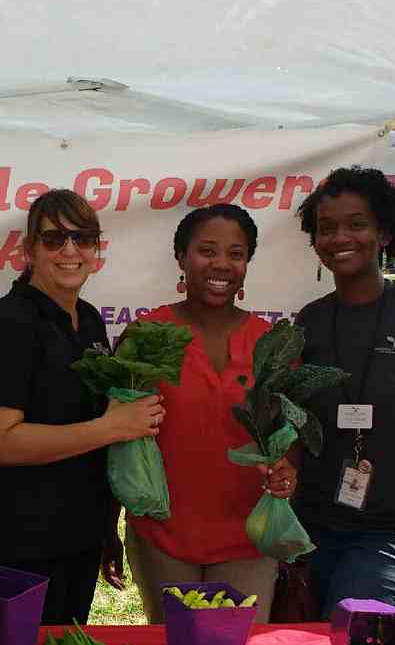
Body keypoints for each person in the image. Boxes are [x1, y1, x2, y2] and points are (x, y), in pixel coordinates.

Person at [0, 190, 162, 624]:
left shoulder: (87, 318)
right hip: (17, 541)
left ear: (96, 250)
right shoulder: (8, 324)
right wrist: (113, 427)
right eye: (54, 239)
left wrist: (106, 526)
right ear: (29, 249)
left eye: (83, 238)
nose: (70, 251)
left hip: (78, 534)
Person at [116, 204, 297, 623]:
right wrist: (109, 526)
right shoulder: (145, 335)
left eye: (236, 254)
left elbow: (288, 433)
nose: (222, 264)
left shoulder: (270, 342)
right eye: (207, 250)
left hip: (248, 537)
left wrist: (289, 468)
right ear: (181, 257)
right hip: (163, 535)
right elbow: (119, 443)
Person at [292, 166, 395, 618]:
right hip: (312, 524)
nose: (340, 237)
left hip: (394, 525)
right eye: (327, 228)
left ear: (383, 232)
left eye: (356, 224)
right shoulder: (311, 320)